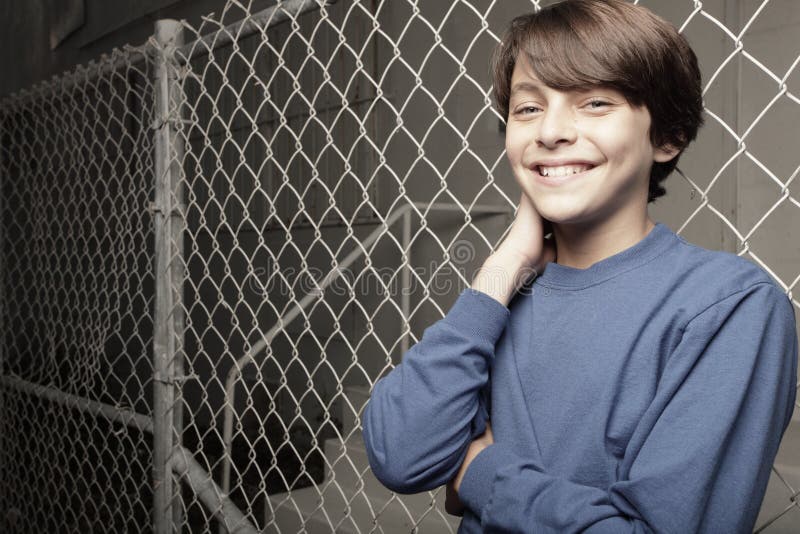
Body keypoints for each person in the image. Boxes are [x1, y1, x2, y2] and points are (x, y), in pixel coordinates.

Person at [361, 0, 799, 532]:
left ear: (667, 137)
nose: (551, 131)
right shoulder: (502, 298)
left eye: (594, 102)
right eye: (527, 108)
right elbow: (401, 456)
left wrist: (482, 473)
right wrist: (501, 269)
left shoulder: (728, 305)